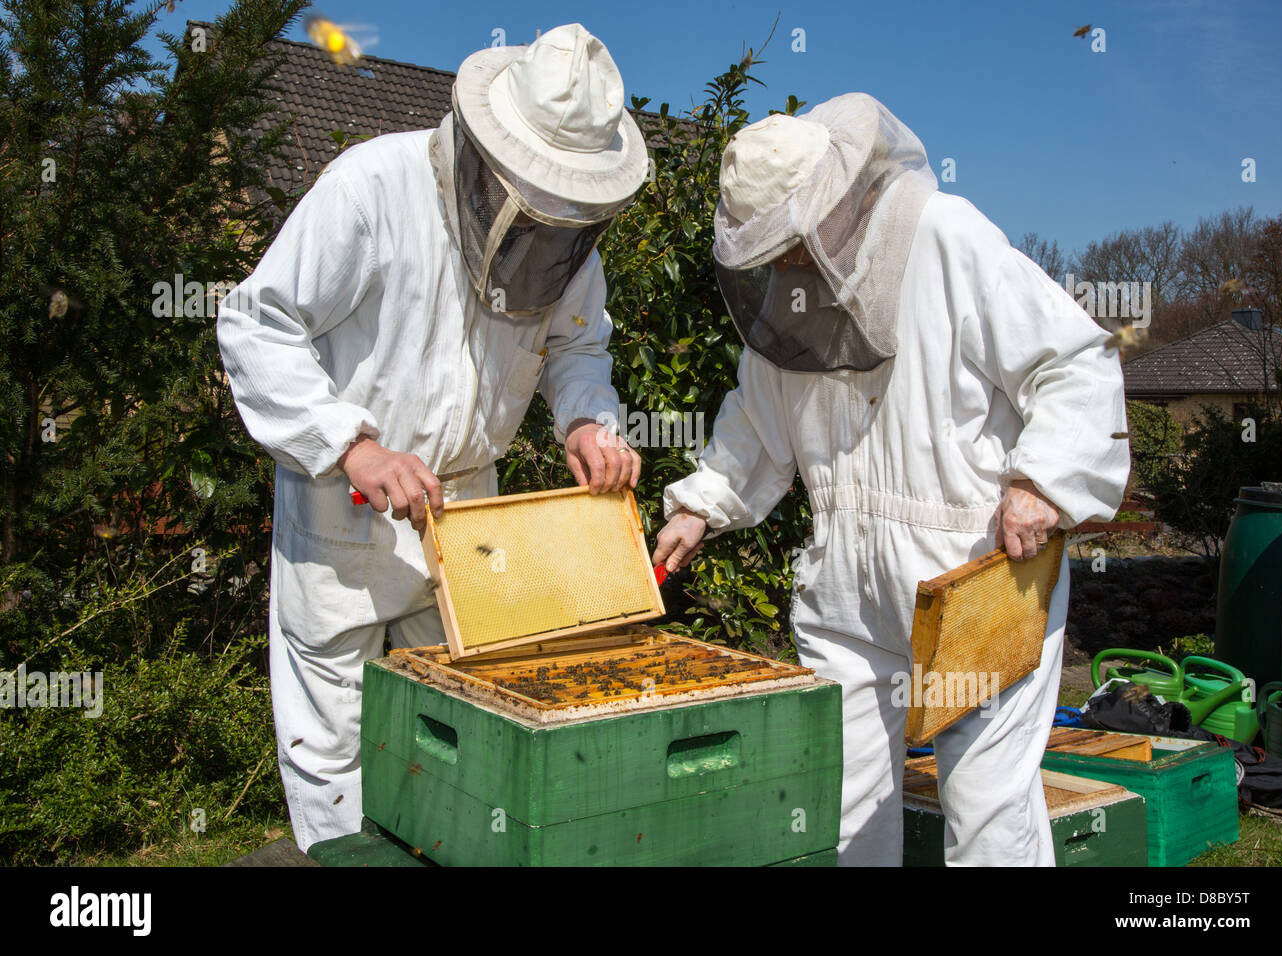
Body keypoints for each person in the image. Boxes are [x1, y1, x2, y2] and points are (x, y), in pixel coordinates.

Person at [652, 95, 1129, 865]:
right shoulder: (791, 287)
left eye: (789, 241)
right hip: (845, 579)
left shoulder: (947, 238)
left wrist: (1043, 482)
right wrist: (702, 504)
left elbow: (1072, 359)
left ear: (832, 205)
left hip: (976, 573)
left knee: (985, 812)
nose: (783, 263)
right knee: (839, 804)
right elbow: (760, 420)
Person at [217, 24, 646, 850]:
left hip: (465, 516)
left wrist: (590, 421)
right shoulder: (370, 187)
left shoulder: (569, 238)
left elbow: (579, 346)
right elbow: (256, 324)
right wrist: (353, 445)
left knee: (451, 742)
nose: (552, 230)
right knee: (334, 752)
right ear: (492, 159)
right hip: (343, 505)